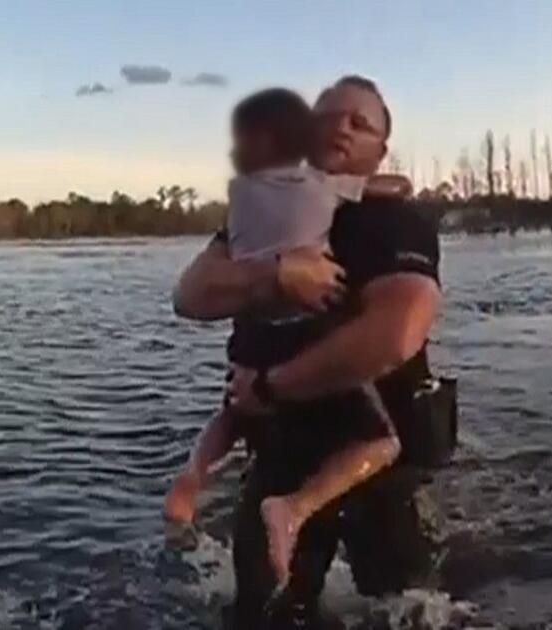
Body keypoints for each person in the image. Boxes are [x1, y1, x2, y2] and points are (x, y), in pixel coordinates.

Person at [173, 75, 443, 629]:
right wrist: (275, 275)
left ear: (379, 150)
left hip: (366, 458)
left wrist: (272, 386)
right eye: (327, 116)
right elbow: (190, 293)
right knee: (262, 613)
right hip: (279, 448)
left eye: (359, 122)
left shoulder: (396, 221)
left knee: (405, 611)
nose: (340, 127)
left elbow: (398, 331)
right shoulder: (265, 211)